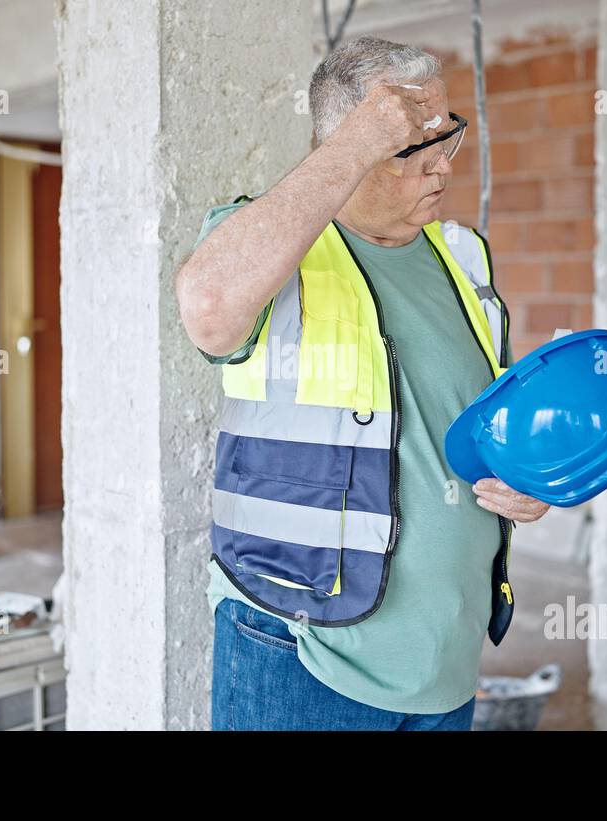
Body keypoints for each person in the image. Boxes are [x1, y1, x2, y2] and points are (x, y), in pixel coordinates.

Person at [175, 36, 550, 731]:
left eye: (448, 138)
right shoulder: (278, 245)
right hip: (302, 652)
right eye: (414, 146)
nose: (442, 165)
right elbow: (206, 308)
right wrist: (353, 150)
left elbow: (469, 425)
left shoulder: (461, 256)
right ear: (344, 143)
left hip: (443, 660)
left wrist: (526, 482)